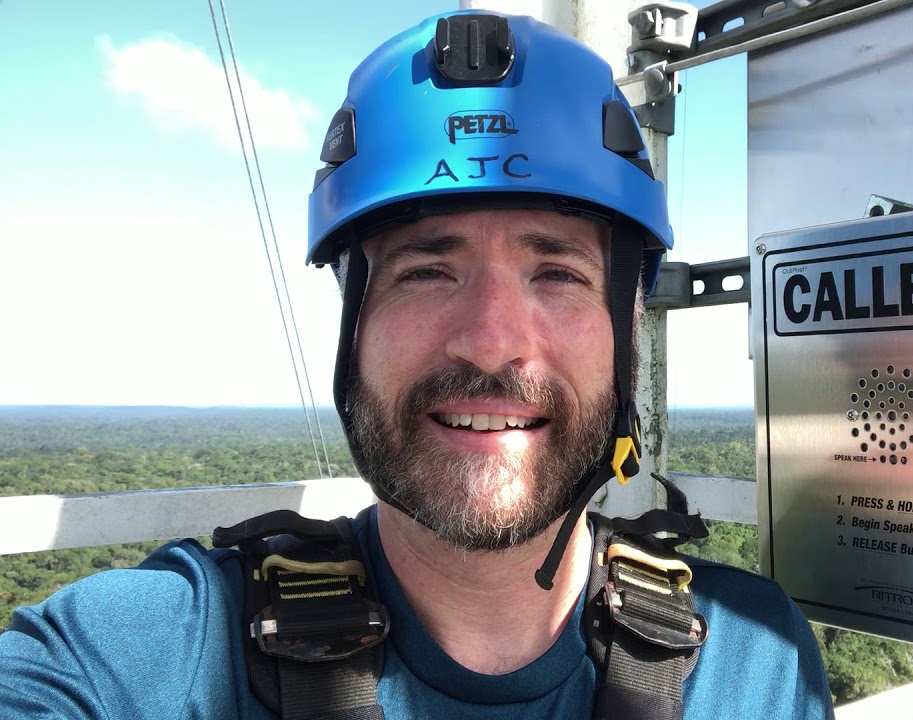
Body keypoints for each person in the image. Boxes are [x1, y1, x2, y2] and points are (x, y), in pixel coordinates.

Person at [0, 10, 834, 719]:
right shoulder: (163, 654)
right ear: (353, 320)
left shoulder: (753, 667)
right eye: (426, 270)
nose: (491, 340)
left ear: (630, 322)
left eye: (558, 273)